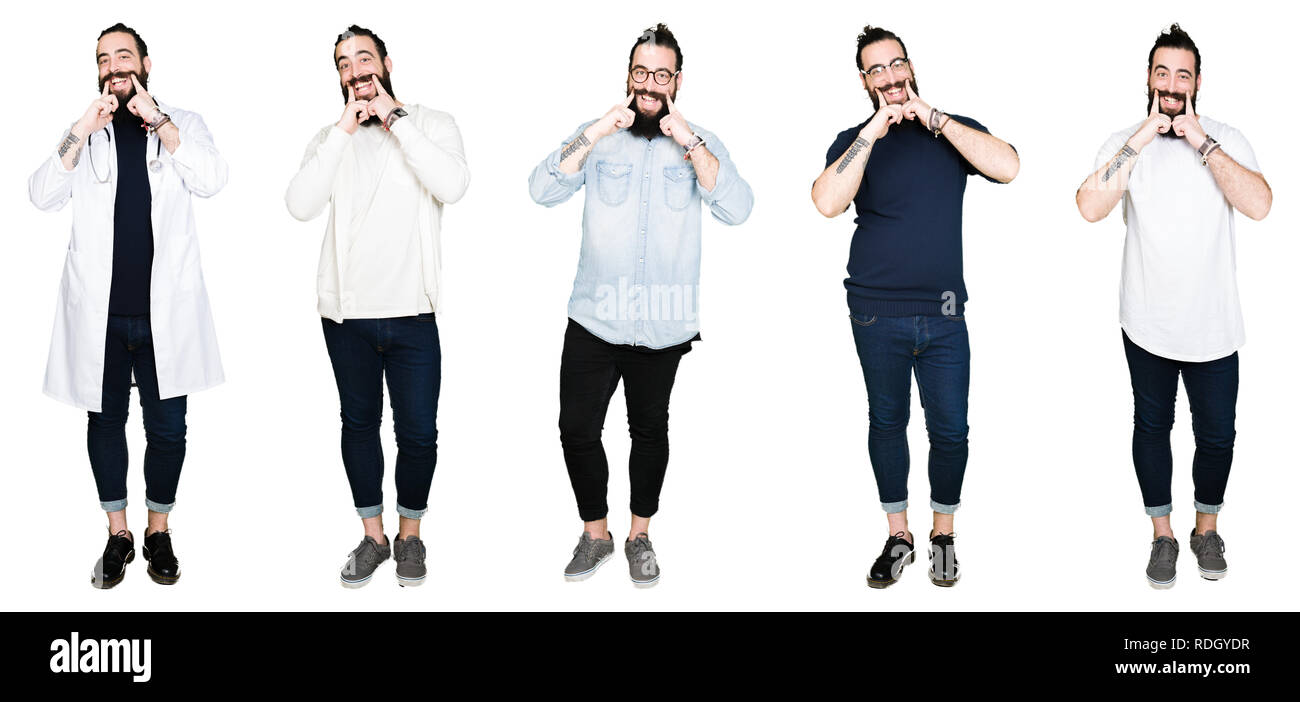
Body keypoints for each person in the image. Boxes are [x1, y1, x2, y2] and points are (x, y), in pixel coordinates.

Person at [529, 23, 753, 588]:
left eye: (661, 74)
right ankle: (596, 534)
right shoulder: (599, 133)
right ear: (627, 76)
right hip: (594, 317)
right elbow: (542, 188)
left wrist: (691, 143)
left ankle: (639, 536)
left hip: (664, 322)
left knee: (649, 431)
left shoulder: (699, 140)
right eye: (640, 72)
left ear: (677, 80)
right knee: (576, 428)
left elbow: (738, 208)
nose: (649, 84)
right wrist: (600, 127)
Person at [811, 25, 1018, 588]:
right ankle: (898, 534)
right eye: (876, 69)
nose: (890, 76)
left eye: (896, 64)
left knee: (951, 430)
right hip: (875, 312)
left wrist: (936, 119)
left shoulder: (948, 132)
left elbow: (1008, 166)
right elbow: (827, 200)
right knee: (887, 421)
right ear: (864, 81)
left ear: (911, 67)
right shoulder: (856, 139)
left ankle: (943, 534)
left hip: (946, 312)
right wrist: (874, 131)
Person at [29, 23, 228, 588]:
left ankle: (157, 531)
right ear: (97, 72)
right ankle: (118, 533)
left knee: (169, 431)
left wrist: (158, 122)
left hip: (167, 315)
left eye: (123, 55)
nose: (113, 65)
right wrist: (78, 128)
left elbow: (214, 179)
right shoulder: (87, 132)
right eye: (103, 59)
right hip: (103, 318)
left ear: (145, 61)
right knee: (105, 423)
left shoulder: (182, 124)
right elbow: (42, 194)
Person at [1076, 24, 1271, 589]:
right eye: (1161, 72)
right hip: (1147, 325)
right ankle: (1163, 535)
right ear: (1148, 79)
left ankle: (1205, 530)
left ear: (1197, 83)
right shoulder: (1124, 141)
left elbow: (1260, 204)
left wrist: (1201, 142)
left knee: (1217, 436)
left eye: (1181, 74)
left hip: (1214, 327)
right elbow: (1089, 206)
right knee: (1152, 427)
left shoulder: (1227, 137)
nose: (1170, 83)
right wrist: (1140, 141)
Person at [286, 25, 470, 588]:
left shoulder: (432, 124)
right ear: (339, 77)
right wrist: (345, 126)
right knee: (359, 424)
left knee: (418, 433)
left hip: (414, 312)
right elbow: (299, 204)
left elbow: (453, 185)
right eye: (344, 64)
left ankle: (411, 536)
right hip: (347, 317)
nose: (356, 69)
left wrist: (394, 118)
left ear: (386, 62)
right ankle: (373, 536)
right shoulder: (330, 137)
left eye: (364, 58)